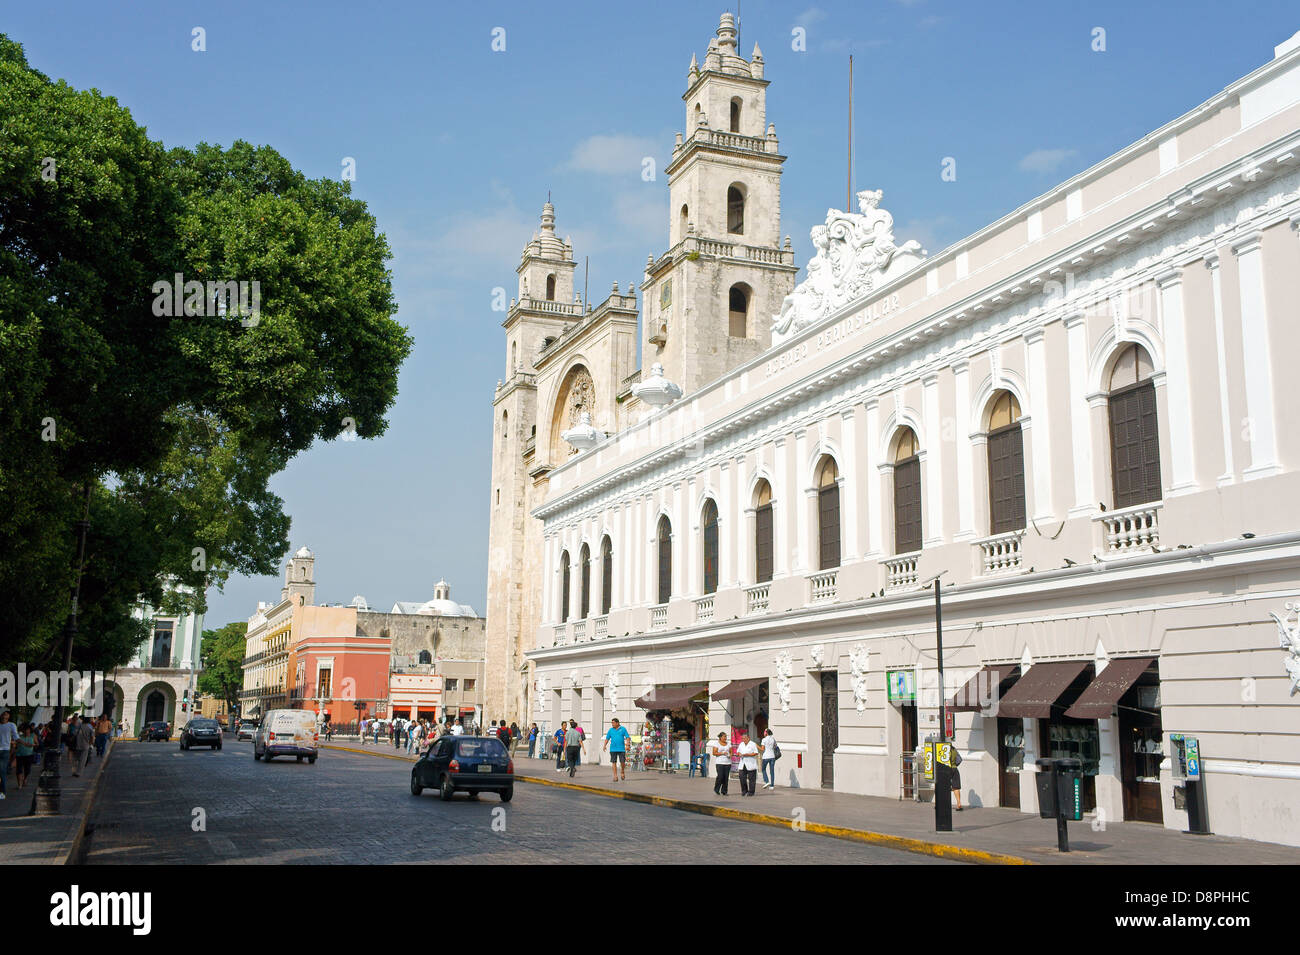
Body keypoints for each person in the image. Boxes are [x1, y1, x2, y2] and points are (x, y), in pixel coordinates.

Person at [603, 717, 631, 782]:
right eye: (611, 723)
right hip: (613, 749)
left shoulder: (623, 729)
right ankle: (615, 776)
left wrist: (627, 745)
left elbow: (627, 737)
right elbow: (607, 738)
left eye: (613, 723)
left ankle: (622, 772)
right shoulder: (610, 730)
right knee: (614, 762)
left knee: (622, 762)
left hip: (621, 749)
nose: (612, 724)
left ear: (617, 723)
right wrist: (604, 745)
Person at [736, 731, 760, 797]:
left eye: (744, 738)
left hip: (750, 763)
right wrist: (739, 754)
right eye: (742, 738)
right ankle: (744, 791)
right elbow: (738, 751)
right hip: (742, 764)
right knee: (742, 778)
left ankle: (751, 792)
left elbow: (756, 753)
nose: (743, 740)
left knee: (751, 779)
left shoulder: (753, 744)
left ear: (748, 738)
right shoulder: (741, 744)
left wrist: (748, 754)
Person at [0, 711, 17, 800]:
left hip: (5, 750)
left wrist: (13, 744)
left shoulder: (11, 725)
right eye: (3, 714)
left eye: (6, 714)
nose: (4, 715)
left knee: (2, 771)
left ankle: (3, 791)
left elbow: (16, 737)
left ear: (9, 716)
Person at [709, 732, 732, 796]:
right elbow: (714, 753)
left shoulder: (728, 744)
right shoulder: (716, 744)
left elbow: (731, 752)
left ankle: (724, 791)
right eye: (724, 736)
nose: (725, 738)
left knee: (726, 777)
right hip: (720, 763)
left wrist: (730, 755)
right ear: (720, 737)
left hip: (728, 763)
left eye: (726, 736)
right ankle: (716, 789)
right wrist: (722, 753)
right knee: (720, 776)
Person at [15, 723, 37, 790]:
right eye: (25, 730)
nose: (26, 731)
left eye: (27, 730)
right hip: (19, 755)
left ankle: (24, 779)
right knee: (19, 770)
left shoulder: (33, 736)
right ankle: (19, 784)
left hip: (29, 755)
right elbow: (14, 742)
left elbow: (37, 743)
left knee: (27, 770)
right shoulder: (19, 736)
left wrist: (33, 745)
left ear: (30, 730)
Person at [950, 746, 964, 811]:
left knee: (943, 787)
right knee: (956, 787)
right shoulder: (953, 749)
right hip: (955, 769)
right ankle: (959, 804)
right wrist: (955, 765)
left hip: (946, 769)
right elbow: (959, 759)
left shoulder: (942, 748)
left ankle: (942, 804)